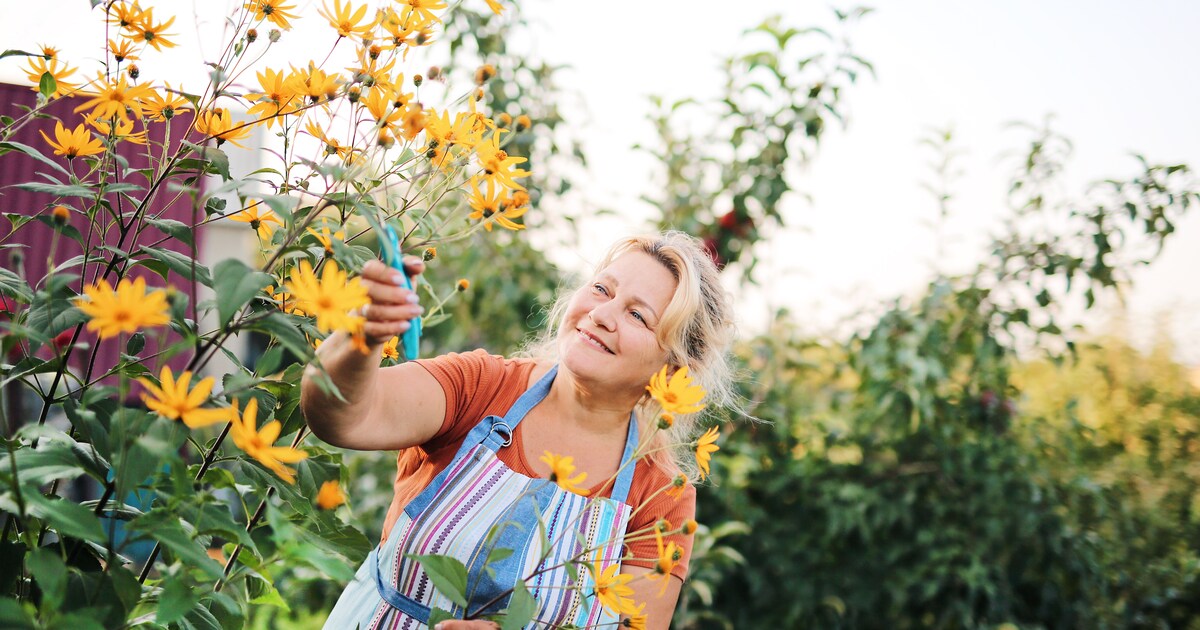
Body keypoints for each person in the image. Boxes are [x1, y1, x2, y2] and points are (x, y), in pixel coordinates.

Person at [302, 232, 737, 630]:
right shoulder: (483, 386)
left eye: (638, 315)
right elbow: (343, 416)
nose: (601, 314)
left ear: (676, 366)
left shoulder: (660, 494)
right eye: (602, 289)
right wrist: (364, 333)